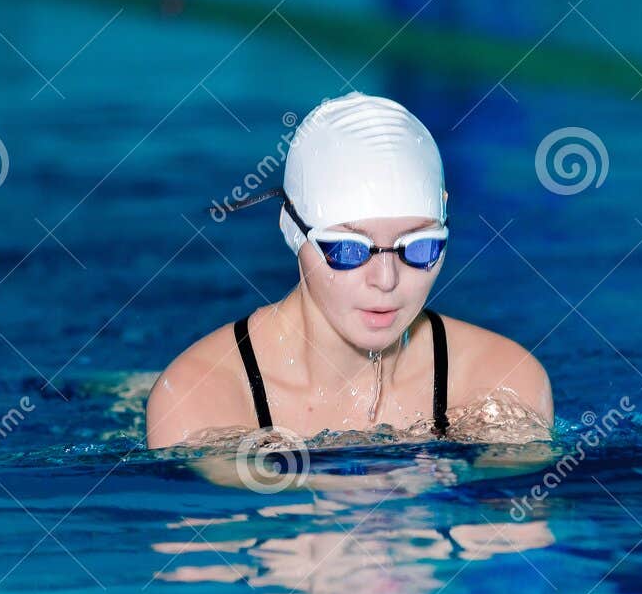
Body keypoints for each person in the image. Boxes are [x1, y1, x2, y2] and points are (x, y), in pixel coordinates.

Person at [146, 93, 552, 448]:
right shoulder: (198, 399)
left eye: (420, 246)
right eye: (347, 250)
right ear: (292, 226)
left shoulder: (502, 379)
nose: (386, 280)